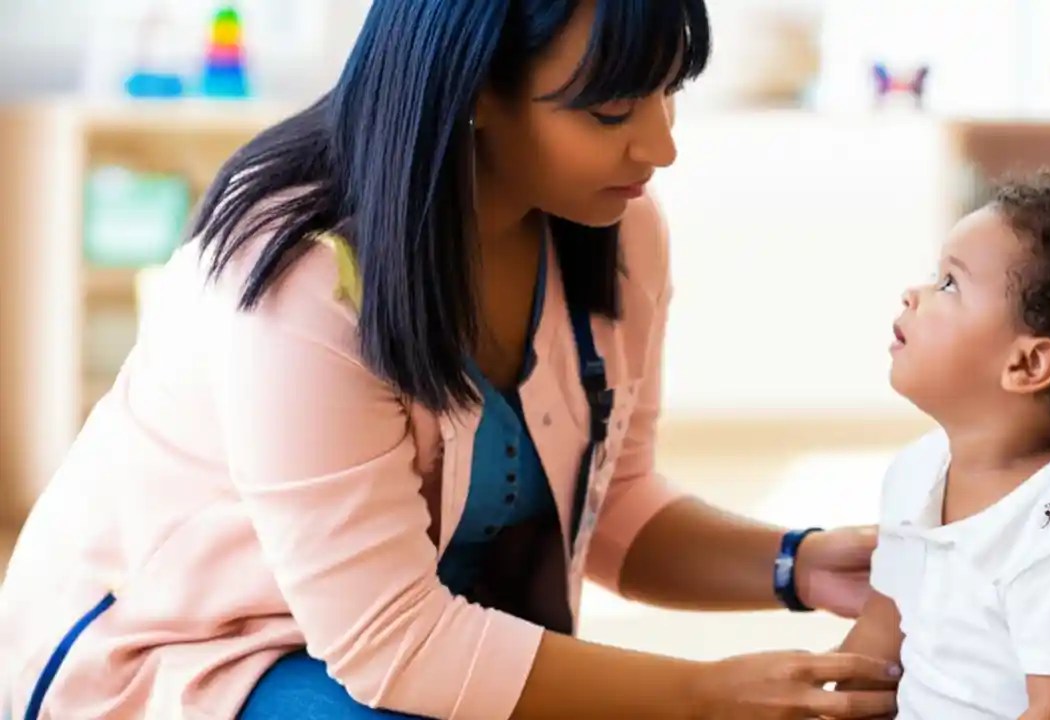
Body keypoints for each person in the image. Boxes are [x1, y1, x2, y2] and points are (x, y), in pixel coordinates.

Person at [0, 1, 900, 718]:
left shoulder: (619, 231)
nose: (661, 147)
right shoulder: (303, 272)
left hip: (395, 651)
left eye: (669, 94)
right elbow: (393, 642)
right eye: (612, 109)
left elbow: (611, 507)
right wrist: (700, 695)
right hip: (187, 652)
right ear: (473, 89)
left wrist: (798, 564)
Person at [836, 176, 1050, 718]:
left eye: (949, 284)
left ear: (1027, 365)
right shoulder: (917, 470)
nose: (914, 293)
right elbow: (879, 638)